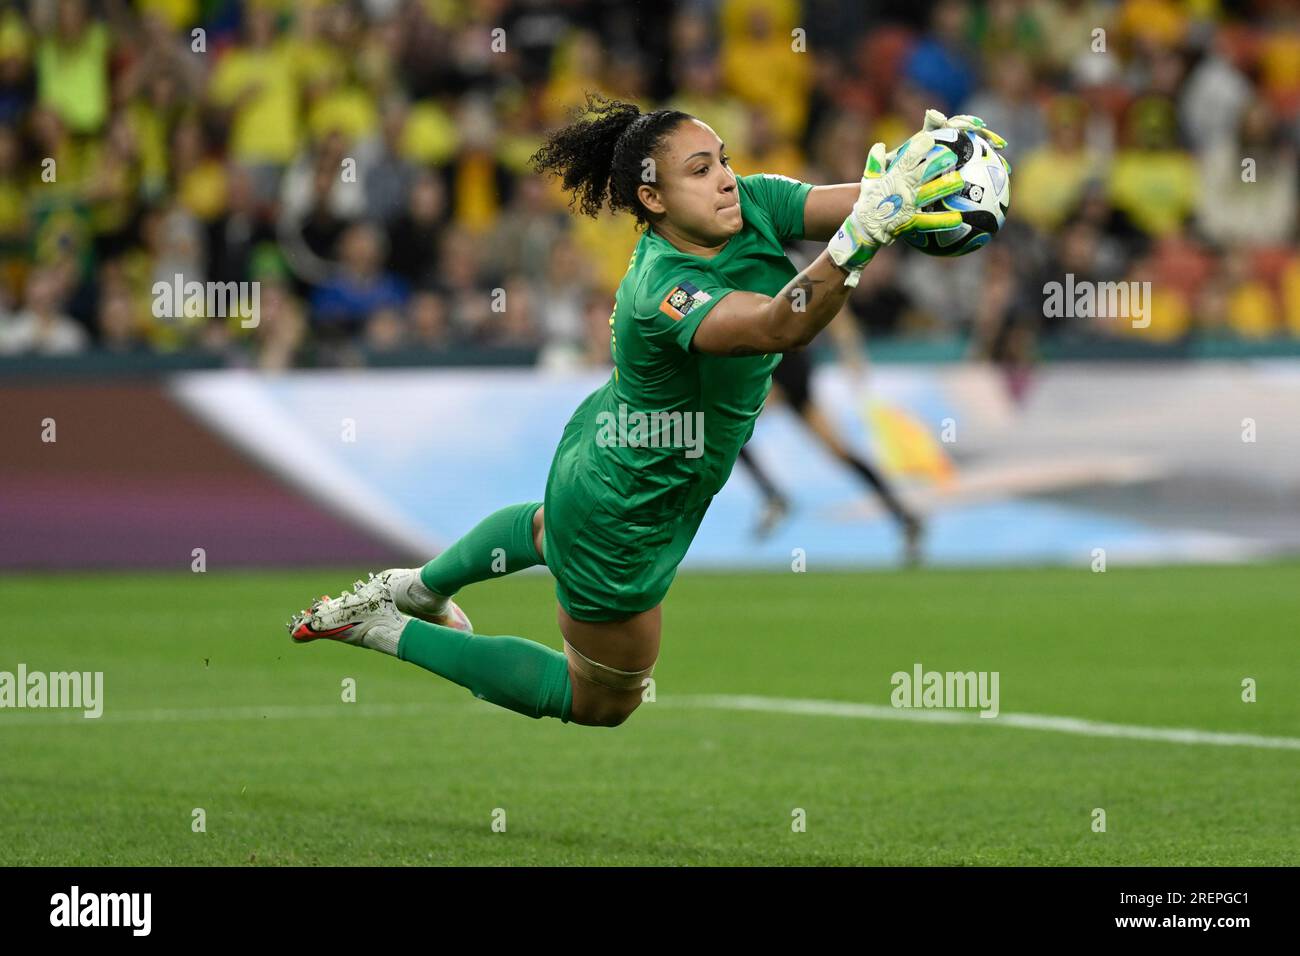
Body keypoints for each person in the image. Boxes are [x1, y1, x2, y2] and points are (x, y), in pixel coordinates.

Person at [287, 96, 996, 728]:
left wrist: (917, 172)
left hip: (603, 450)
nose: (723, 177)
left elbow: (853, 202)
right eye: (699, 169)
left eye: (721, 159)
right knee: (601, 701)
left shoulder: (750, 201)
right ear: (652, 199)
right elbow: (781, 323)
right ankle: (384, 627)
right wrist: (861, 240)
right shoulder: (659, 288)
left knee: (544, 528)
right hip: (627, 510)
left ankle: (416, 587)